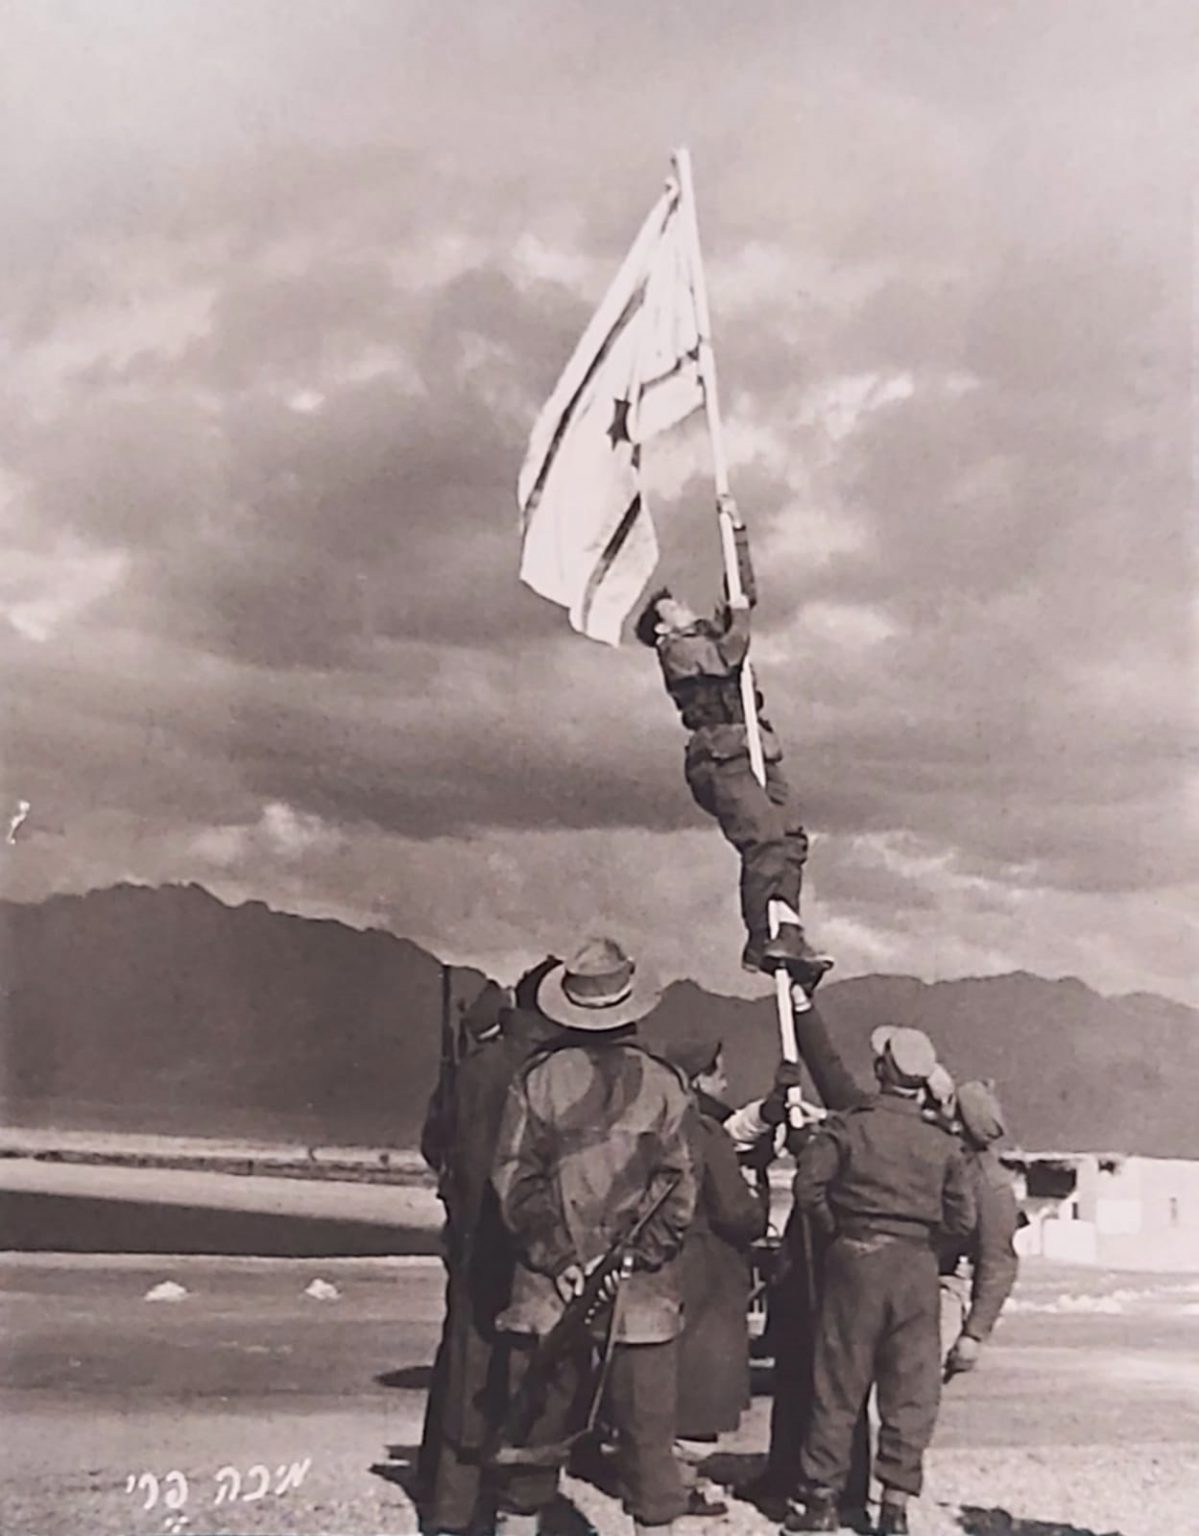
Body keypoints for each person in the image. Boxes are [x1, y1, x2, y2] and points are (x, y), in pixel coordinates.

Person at [491, 937, 697, 1536]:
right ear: (631, 1004)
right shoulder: (666, 1086)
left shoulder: (535, 1081)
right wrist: (631, 1258)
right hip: (642, 1304)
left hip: (546, 1296)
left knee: (528, 1456)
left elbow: (511, 1181)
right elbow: (678, 1198)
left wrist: (557, 1258)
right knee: (651, 1464)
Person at [787, 1026, 977, 1535]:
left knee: (837, 1388)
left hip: (854, 1261)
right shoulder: (942, 1144)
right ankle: (894, 1508)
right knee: (910, 1392)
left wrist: (840, 1234)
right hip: (915, 1267)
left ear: (879, 1071)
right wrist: (923, 1246)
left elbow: (808, 1189)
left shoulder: (849, 1129)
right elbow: (962, 1221)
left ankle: (821, 1505)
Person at [634, 494, 830, 987]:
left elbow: (742, 594)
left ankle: (788, 928)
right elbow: (728, 655)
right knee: (762, 840)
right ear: (660, 627)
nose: (683, 607)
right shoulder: (676, 652)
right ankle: (761, 936)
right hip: (721, 755)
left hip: (755, 747)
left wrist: (736, 533)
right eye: (672, 606)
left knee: (790, 840)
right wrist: (738, 618)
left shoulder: (702, 634)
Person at [416, 962, 562, 1536]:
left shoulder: (476, 1067)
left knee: (465, 1370)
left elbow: (434, 1143)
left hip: (470, 1238)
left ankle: (452, 1506)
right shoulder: (554, 1074)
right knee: (529, 1382)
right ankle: (511, 1505)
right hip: (531, 1249)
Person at [659, 1030, 769, 1512]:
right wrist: (759, 1197)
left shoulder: (659, 1123)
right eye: (719, 1073)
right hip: (710, 1272)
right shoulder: (707, 1134)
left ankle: (653, 1471)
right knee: (702, 1385)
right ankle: (678, 1484)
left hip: (665, 1268)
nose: (726, 1083)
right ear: (700, 1079)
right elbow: (738, 1214)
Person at [939, 1079, 1020, 1379]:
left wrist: (973, 1334)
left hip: (941, 1292)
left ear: (960, 1124)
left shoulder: (990, 1186)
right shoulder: (942, 1158)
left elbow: (997, 1263)